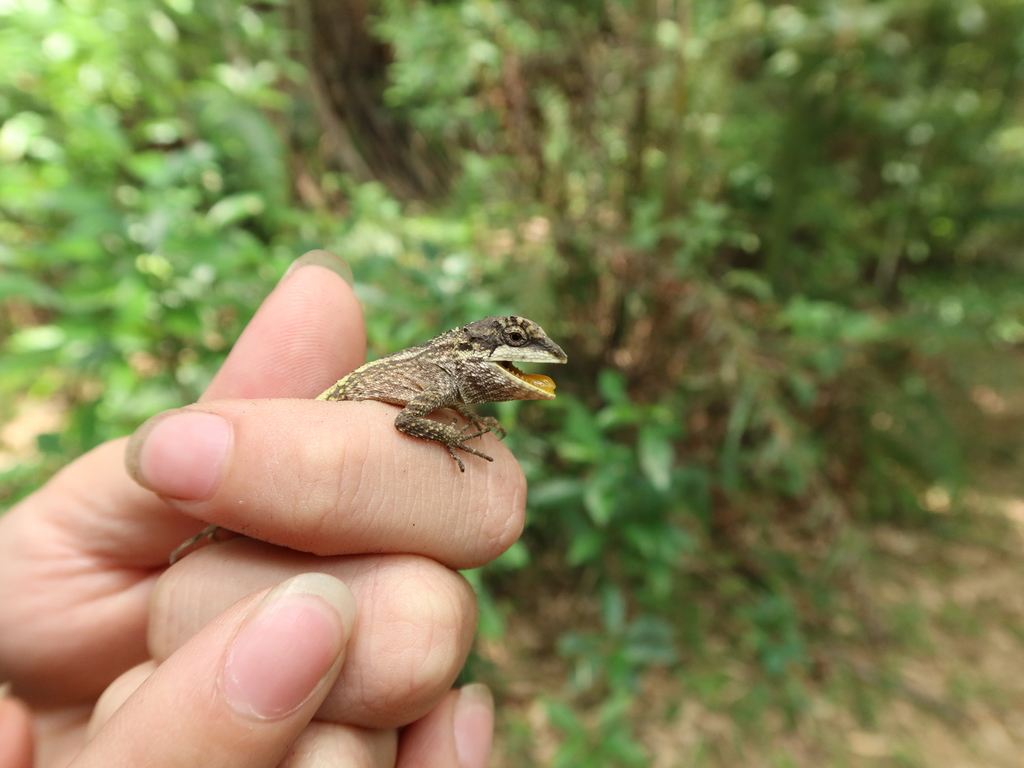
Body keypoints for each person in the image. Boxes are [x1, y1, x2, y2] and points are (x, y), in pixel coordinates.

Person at [0, 251, 525, 768]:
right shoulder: (435, 372)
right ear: (469, 350)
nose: (529, 354)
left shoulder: (442, 378)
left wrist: (461, 421)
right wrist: (452, 436)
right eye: (518, 342)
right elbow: (406, 422)